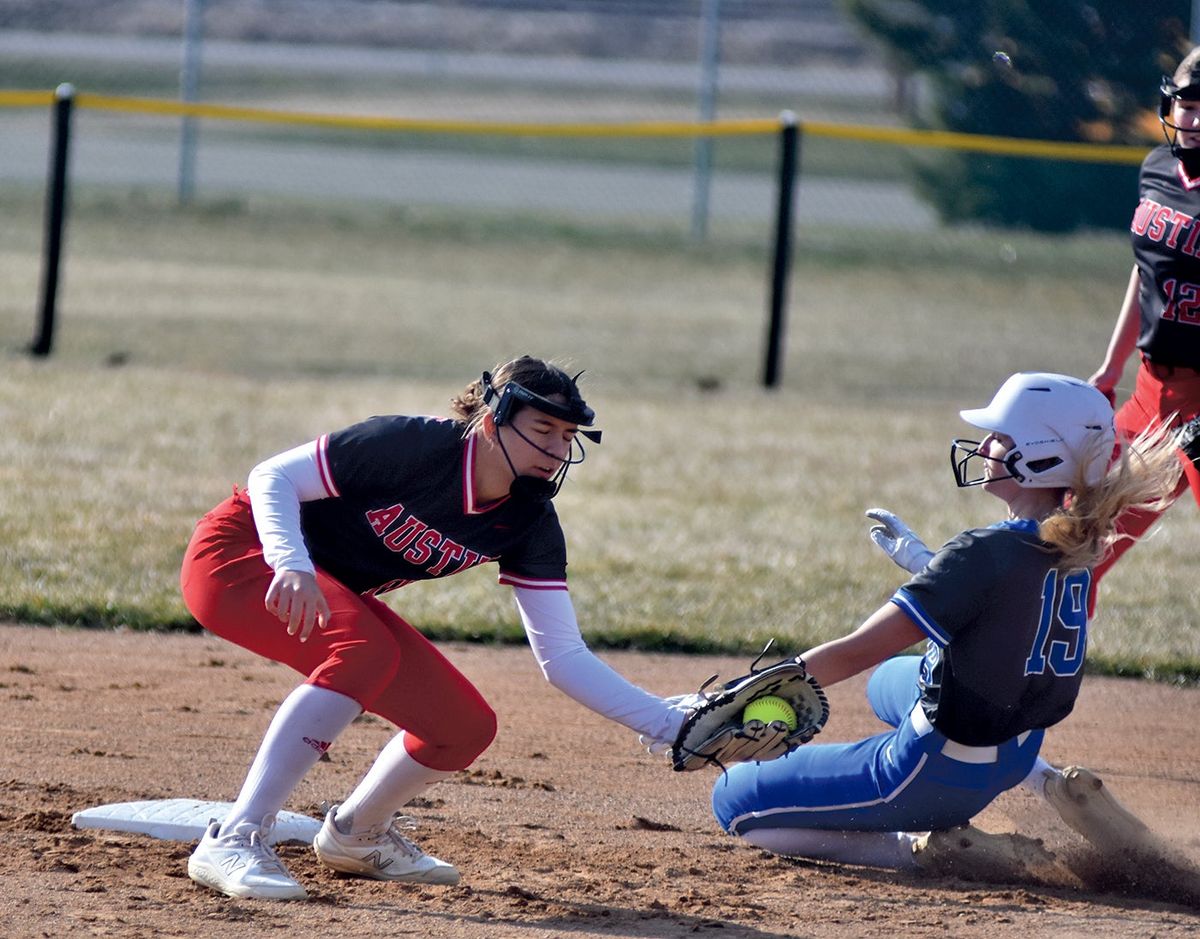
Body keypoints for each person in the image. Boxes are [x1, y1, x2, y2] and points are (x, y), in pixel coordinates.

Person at [179, 356, 694, 901]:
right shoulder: (414, 445)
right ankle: (234, 837)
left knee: (462, 726)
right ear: (493, 421)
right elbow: (273, 476)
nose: (557, 449)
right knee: (365, 649)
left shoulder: (529, 520)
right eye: (543, 429)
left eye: (568, 435)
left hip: (322, 586)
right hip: (241, 554)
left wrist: (669, 725)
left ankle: (358, 833)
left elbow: (562, 656)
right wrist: (291, 562)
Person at [708, 373, 1181, 880]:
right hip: (1017, 754)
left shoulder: (983, 552)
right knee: (885, 684)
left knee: (734, 802)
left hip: (929, 772)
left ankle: (922, 849)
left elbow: (854, 651)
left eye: (1000, 437)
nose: (984, 446)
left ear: (1040, 456)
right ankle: (1050, 783)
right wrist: (929, 565)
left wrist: (728, 701)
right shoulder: (1078, 546)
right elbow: (1002, 609)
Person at [1086, 45, 1200, 611]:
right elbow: (1146, 270)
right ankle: (1034, 683)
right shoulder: (1157, 167)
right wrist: (1111, 367)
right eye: (1187, 103)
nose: (1196, 119)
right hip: (1154, 391)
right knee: (1081, 541)